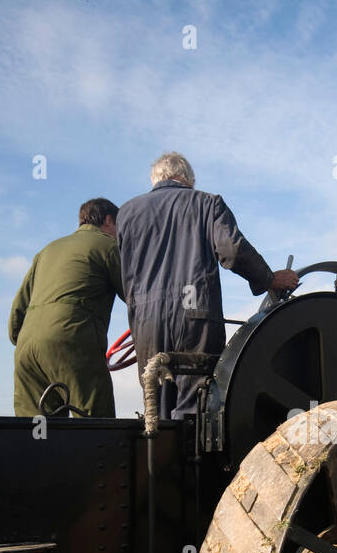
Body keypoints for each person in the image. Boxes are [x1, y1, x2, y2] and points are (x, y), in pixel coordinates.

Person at [115, 152, 298, 419]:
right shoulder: (206, 203)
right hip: (194, 316)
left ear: (155, 179)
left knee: (157, 408)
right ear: (187, 179)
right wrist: (269, 278)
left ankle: (160, 456)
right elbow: (232, 251)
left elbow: (127, 272)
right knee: (195, 407)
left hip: (145, 322)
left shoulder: (126, 213)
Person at [9, 198, 125, 417]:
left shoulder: (46, 251)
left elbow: (17, 311)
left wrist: (26, 340)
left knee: (35, 433)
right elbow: (137, 296)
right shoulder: (108, 246)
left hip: (25, 349)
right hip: (70, 340)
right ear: (109, 220)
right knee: (95, 426)